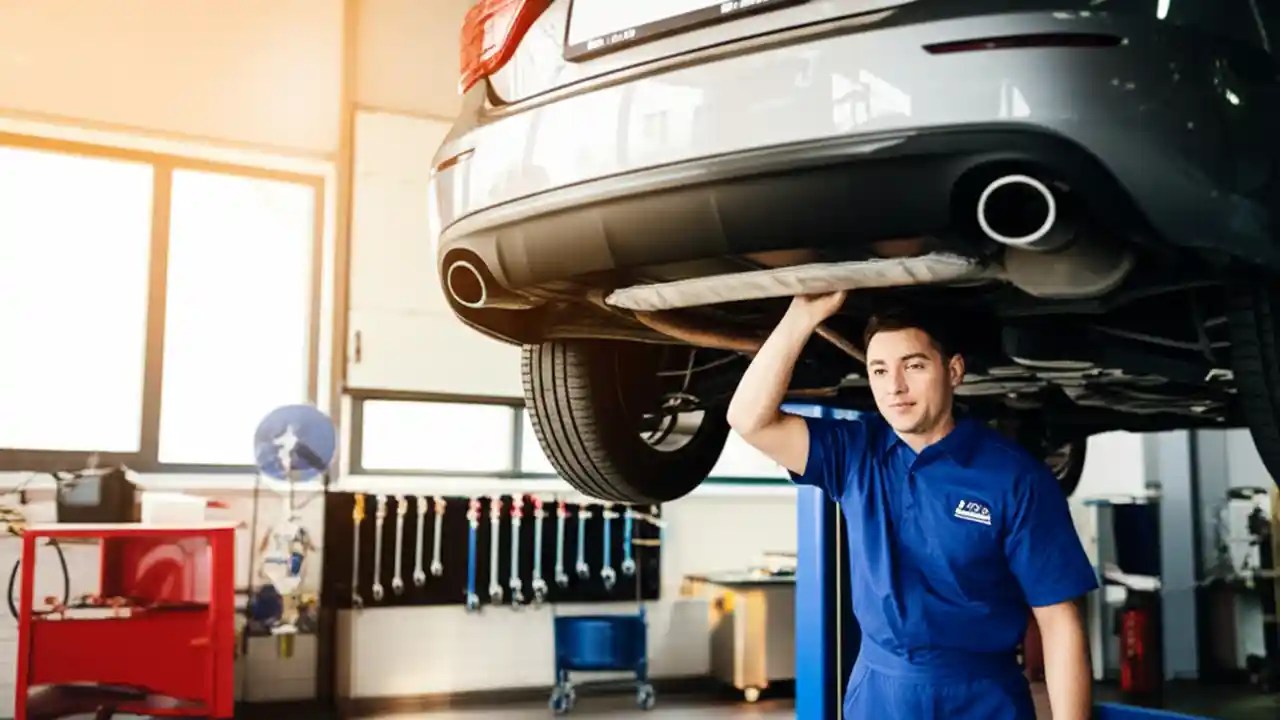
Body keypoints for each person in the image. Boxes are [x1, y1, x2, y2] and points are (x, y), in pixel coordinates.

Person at [727, 291, 1097, 720]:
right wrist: (802, 314)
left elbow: (1058, 621)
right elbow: (748, 420)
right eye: (879, 370)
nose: (894, 387)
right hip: (880, 694)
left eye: (914, 366)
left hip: (982, 698)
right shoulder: (854, 454)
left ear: (953, 371)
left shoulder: (1015, 478)